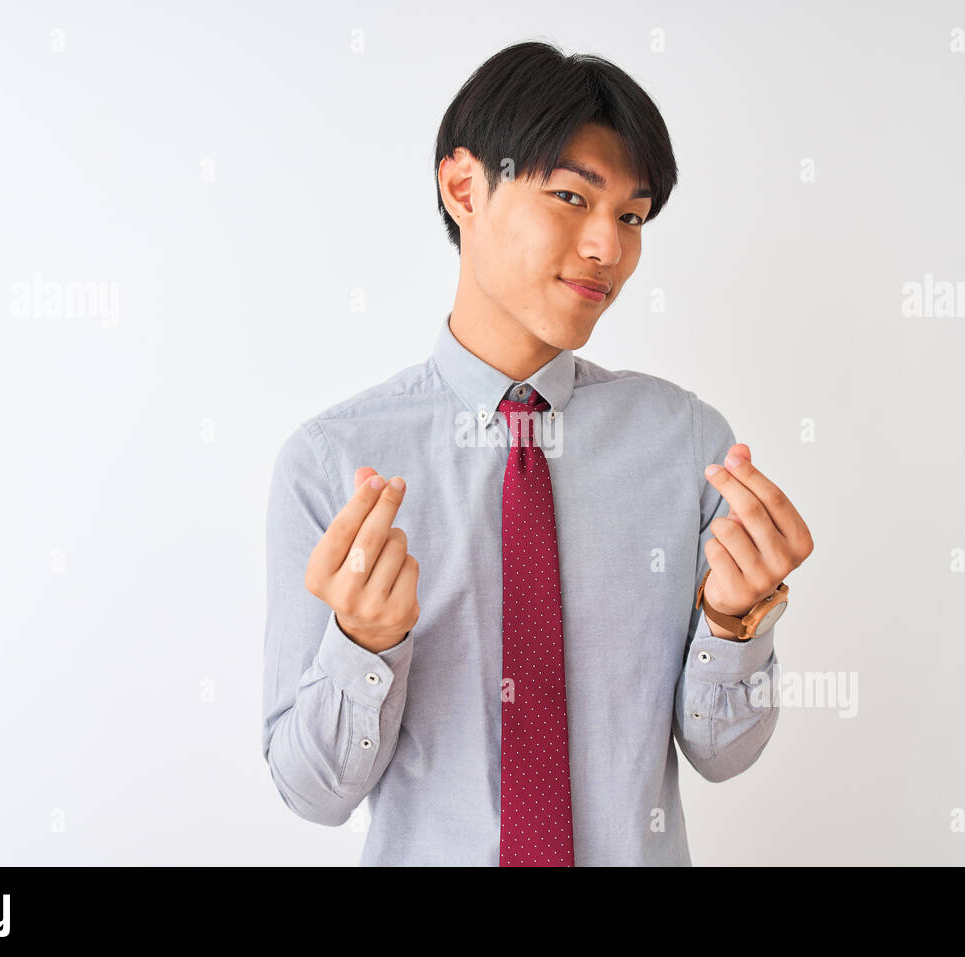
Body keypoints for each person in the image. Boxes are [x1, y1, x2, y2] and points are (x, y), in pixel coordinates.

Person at [261, 39, 814, 866]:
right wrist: (362, 643)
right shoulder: (334, 462)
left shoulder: (688, 443)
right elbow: (312, 791)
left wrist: (738, 623)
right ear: (463, 188)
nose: (609, 248)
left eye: (631, 216)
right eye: (570, 197)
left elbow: (723, 753)